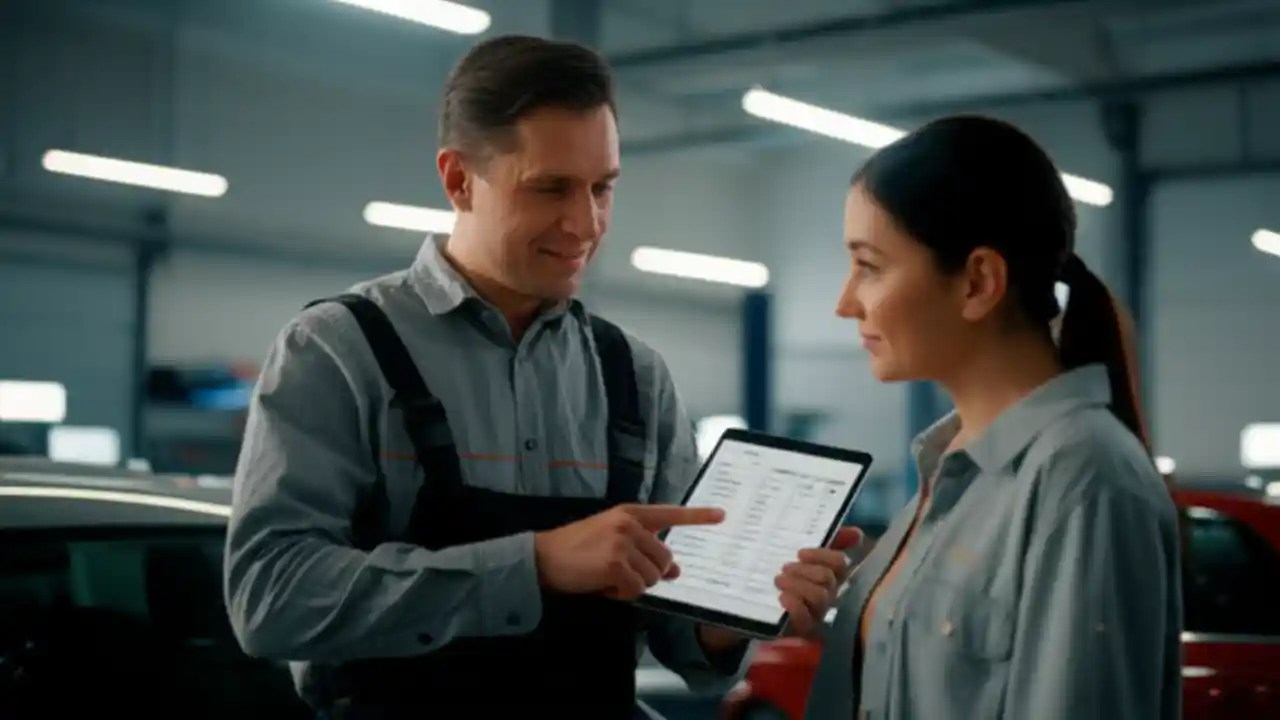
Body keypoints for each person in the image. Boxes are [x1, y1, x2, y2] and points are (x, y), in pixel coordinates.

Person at [223, 35, 854, 718]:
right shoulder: (339, 351)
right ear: (459, 180)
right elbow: (270, 597)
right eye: (550, 188)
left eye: (603, 188)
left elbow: (678, 635)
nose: (585, 223)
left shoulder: (634, 377)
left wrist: (741, 610)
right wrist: (536, 564)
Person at [804, 115, 1183, 720]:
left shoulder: (1083, 478)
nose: (846, 302)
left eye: (870, 266)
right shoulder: (948, 475)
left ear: (978, 281)